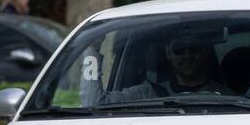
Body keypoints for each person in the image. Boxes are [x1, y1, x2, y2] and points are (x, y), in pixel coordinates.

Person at [80, 31, 230, 106]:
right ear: (168, 54)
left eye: (194, 49)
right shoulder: (146, 94)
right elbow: (92, 103)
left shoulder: (228, 98)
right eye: (179, 49)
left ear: (205, 52)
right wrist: (92, 49)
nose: (187, 55)